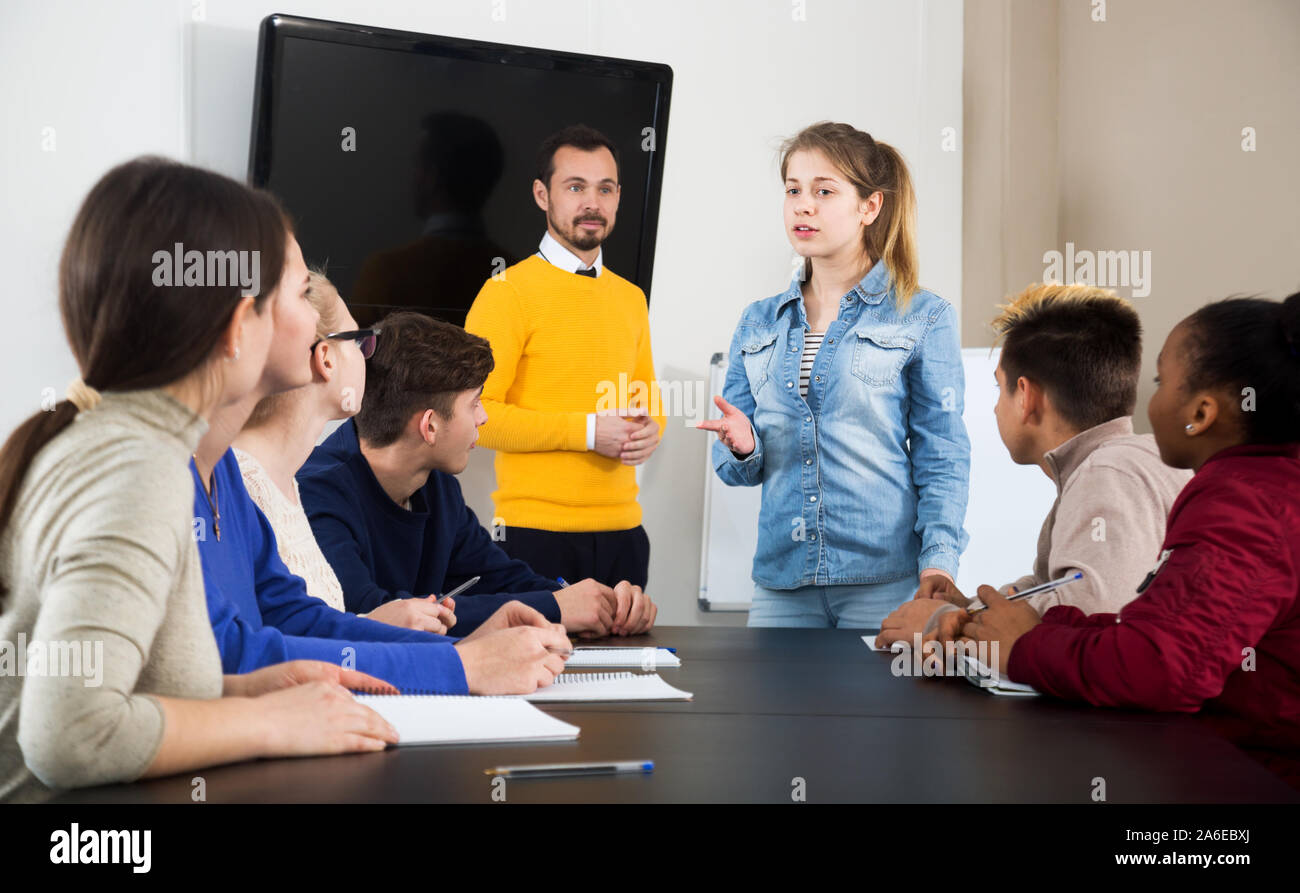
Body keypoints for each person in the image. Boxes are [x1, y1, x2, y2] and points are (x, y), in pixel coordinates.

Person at [0, 157, 401, 802]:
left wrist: (234, 690)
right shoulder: (143, 469)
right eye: (296, 297)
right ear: (238, 327)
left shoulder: (118, 441)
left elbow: (123, 685)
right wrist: (266, 721)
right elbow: (68, 734)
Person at [943, 292, 1300, 788]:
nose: (1148, 401)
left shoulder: (1245, 505)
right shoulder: (1257, 488)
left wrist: (1021, 642)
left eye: (1161, 382)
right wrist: (1016, 623)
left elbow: (1165, 667)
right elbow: (1156, 627)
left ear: (1201, 411)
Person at [193, 241, 571, 696]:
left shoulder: (227, 476)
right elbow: (235, 655)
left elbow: (297, 617)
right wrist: (459, 664)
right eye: (299, 295)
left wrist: (459, 650)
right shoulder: (180, 476)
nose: (314, 316)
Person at [699, 121, 970, 629]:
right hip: (783, 583)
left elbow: (944, 454)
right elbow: (736, 470)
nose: (804, 205)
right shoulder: (758, 321)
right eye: (793, 191)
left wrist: (939, 560)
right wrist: (742, 447)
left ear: (870, 207)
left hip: (884, 582)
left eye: (824, 191)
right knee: (773, 712)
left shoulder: (922, 315)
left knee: (880, 712)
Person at [299, 311, 657, 639]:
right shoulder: (317, 492)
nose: (484, 418)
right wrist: (557, 609)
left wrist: (598, 603)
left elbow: (500, 578)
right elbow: (371, 613)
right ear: (430, 426)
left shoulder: (437, 487)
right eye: (475, 404)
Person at [876, 284, 1191, 647]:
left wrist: (946, 623)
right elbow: (1059, 588)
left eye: (999, 389)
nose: (996, 408)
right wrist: (971, 609)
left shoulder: (1105, 475)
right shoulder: (1135, 461)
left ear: (1025, 397)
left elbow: (1096, 618)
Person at [464, 123, 664, 591]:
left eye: (605, 189)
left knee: (628, 667)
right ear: (542, 194)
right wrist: (589, 432)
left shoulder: (631, 297)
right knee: (537, 666)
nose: (592, 203)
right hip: (532, 538)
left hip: (625, 537)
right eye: (575, 187)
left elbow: (647, 399)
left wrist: (652, 430)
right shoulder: (506, 293)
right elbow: (475, 416)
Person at [233, 270, 455, 634]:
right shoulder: (243, 480)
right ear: (327, 359)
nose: (366, 358)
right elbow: (256, 650)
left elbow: (291, 630)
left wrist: (371, 624)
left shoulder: (283, 479)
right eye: (359, 343)